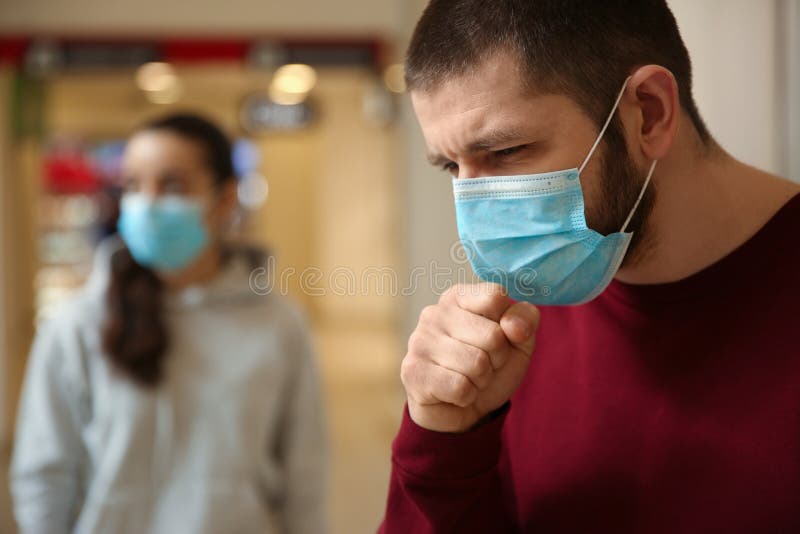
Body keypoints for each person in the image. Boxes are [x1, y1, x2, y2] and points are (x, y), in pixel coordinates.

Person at [380, 1, 800, 533]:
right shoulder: (512, 330)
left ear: (649, 112)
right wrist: (444, 439)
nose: (476, 205)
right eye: (452, 168)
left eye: (507, 151)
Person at [11, 114, 326, 534]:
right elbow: (43, 475)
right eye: (133, 186)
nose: (148, 203)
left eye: (172, 185)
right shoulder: (76, 326)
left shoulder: (279, 325)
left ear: (225, 199)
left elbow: (304, 476)